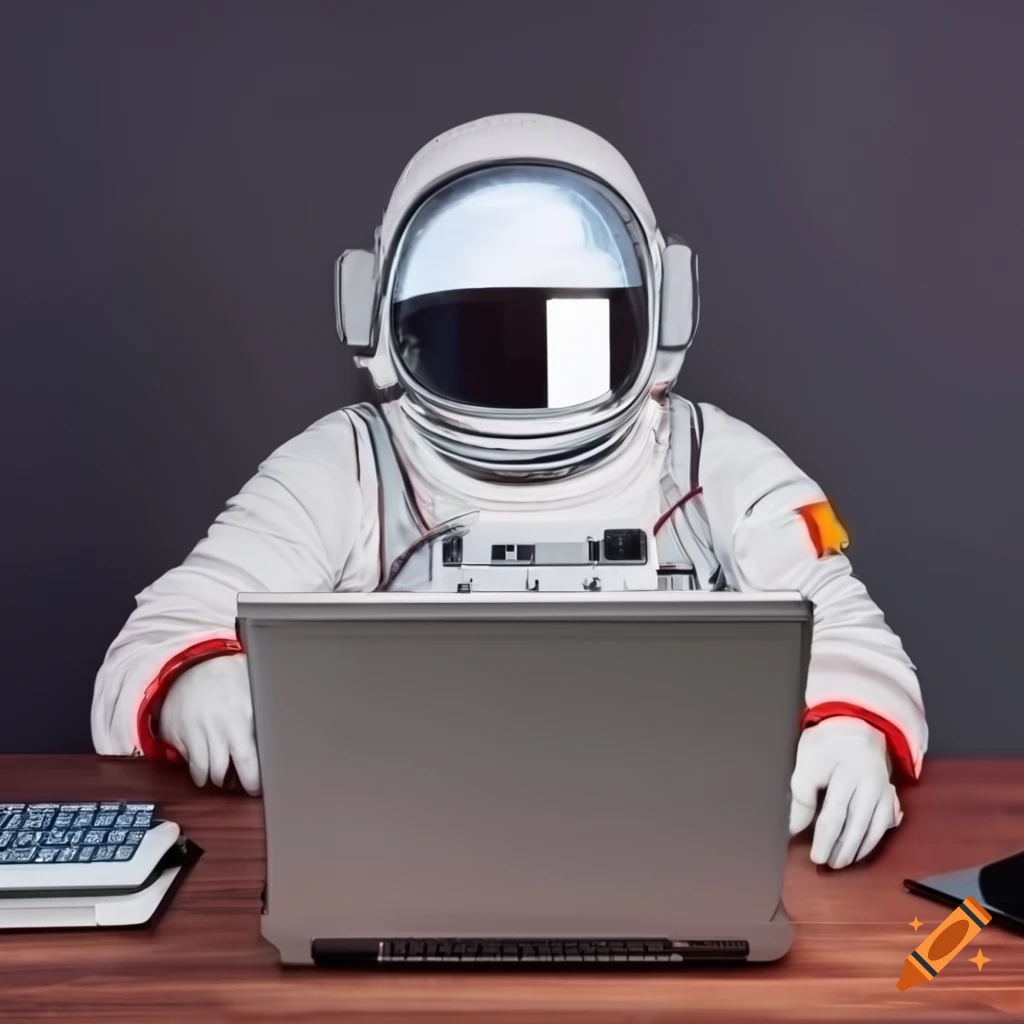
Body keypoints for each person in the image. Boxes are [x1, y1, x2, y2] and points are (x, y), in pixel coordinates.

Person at [92, 113, 926, 870]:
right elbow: (160, 631)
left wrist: (854, 725)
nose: (523, 365)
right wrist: (193, 679)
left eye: (562, 327)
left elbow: (842, 617)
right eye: (480, 333)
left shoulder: (710, 462)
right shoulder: (351, 464)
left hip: (673, 848)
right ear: (374, 320)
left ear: (664, 318)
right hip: (400, 853)